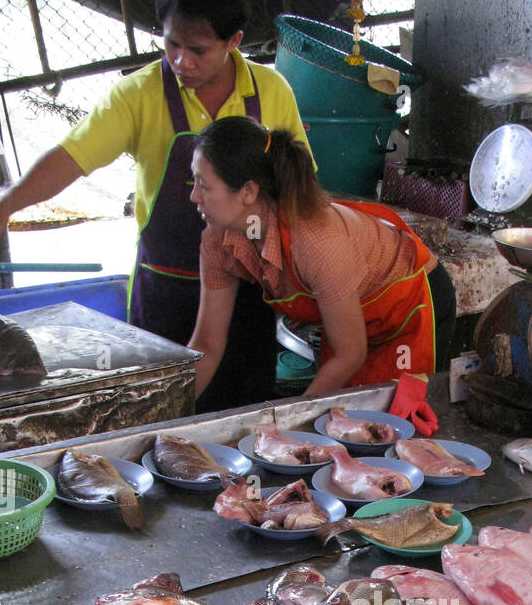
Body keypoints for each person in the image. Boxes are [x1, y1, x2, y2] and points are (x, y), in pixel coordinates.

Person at [0, 0, 309, 412]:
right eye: (172, 44)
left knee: (247, 415)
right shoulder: (138, 94)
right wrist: (0, 210)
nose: (182, 61)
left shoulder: (271, 92)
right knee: (158, 418)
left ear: (234, 41)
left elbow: (300, 184)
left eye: (198, 50)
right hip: (165, 297)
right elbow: (71, 157)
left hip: (251, 293)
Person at [189, 117, 457, 400]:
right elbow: (207, 345)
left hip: (412, 305)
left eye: (203, 185)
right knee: (340, 420)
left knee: (394, 424)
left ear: (248, 191)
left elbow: (350, 354)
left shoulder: (315, 242)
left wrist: (293, 423)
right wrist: (165, 420)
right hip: (351, 326)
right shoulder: (218, 241)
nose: (194, 196)